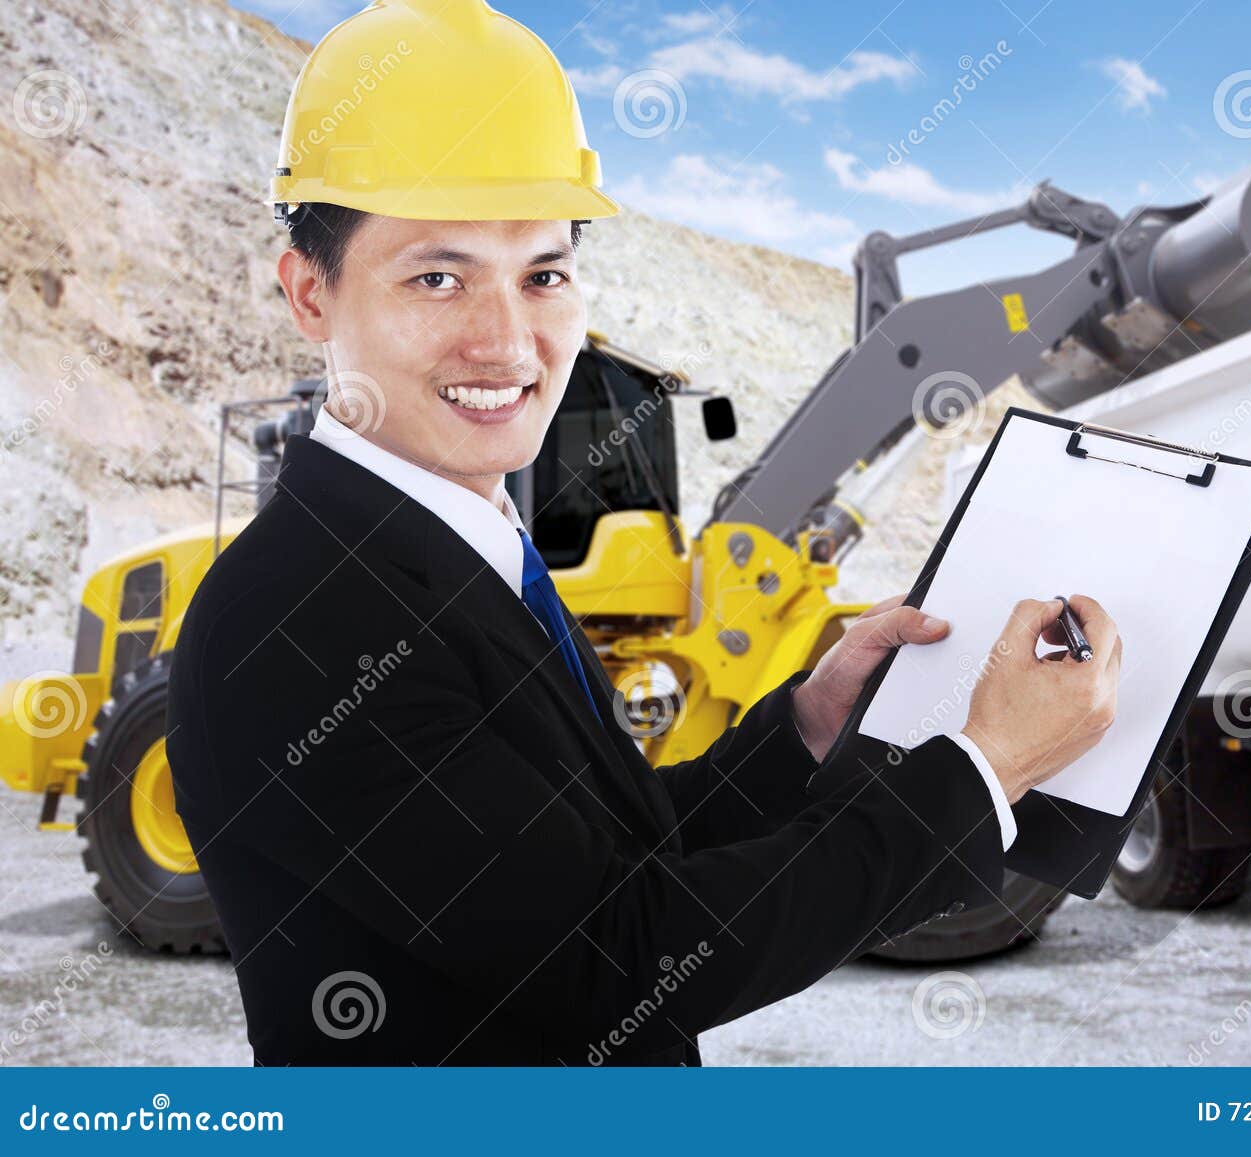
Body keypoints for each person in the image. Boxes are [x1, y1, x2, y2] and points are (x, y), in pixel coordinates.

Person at [165, 0, 1122, 1065]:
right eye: (436, 277)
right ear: (309, 293)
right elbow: (620, 955)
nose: (505, 339)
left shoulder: (460, 553)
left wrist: (801, 727)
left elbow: (603, 865)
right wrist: (982, 768)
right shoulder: (305, 613)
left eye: (544, 274)